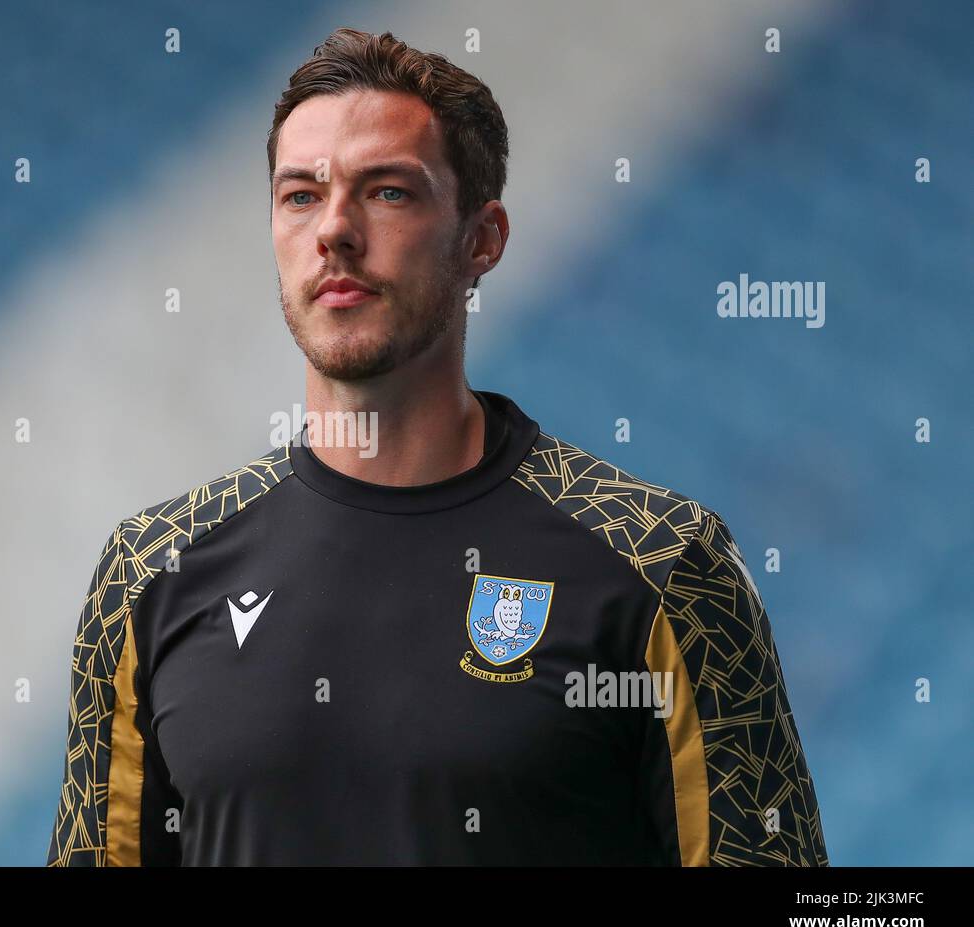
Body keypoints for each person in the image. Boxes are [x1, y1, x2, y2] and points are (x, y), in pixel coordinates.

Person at [46, 28, 828, 866]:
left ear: (481, 240)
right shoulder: (151, 572)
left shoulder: (660, 560)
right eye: (301, 195)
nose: (335, 231)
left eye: (387, 193)